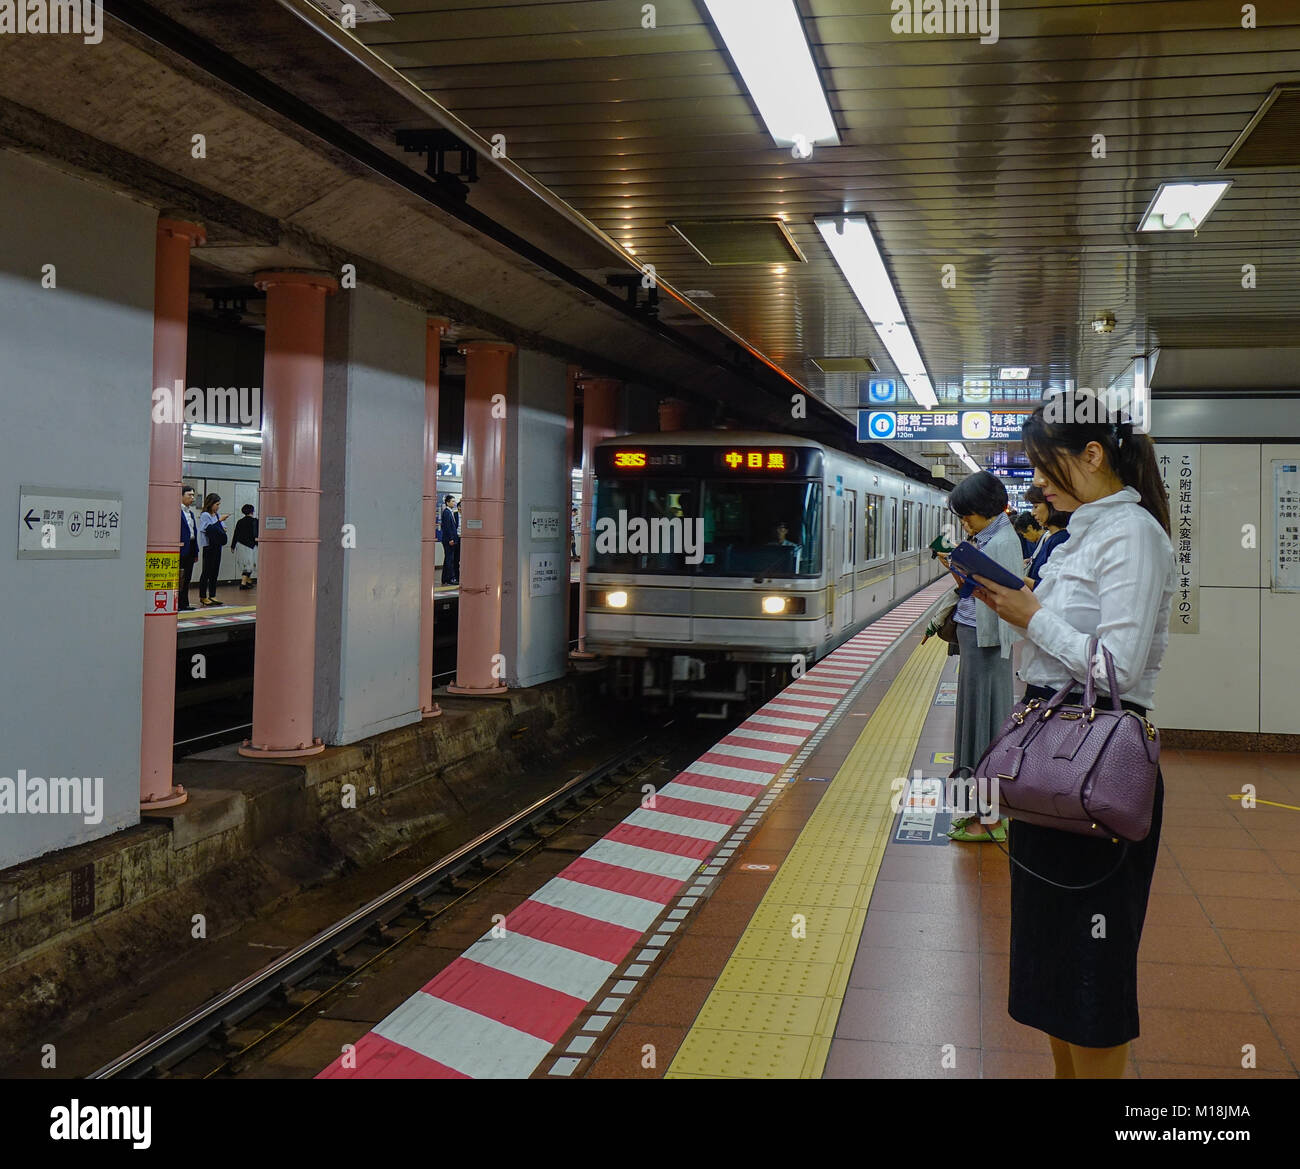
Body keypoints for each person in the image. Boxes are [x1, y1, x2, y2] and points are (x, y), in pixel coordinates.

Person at [967, 389, 1175, 1079]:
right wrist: (1016, 605)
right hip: (1051, 771)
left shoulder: (1134, 536)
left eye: (1048, 466)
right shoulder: (1076, 535)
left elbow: (1117, 667)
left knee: (1092, 975)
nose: (1039, 482)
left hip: (1099, 772)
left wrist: (1032, 616)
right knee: (1051, 970)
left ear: (1093, 454)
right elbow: (1054, 655)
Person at [937, 471, 1022, 842]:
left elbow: (1000, 597)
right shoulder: (991, 536)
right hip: (977, 639)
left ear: (985, 509)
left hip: (986, 643)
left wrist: (965, 573)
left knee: (985, 727)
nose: (963, 521)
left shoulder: (1001, 542)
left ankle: (989, 820)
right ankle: (979, 812)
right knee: (977, 725)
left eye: (967, 514)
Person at [1024, 483, 1071, 588]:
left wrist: (1019, 577)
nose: (1033, 513)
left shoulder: (1062, 540)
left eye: (1036, 506)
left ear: (1051, 505)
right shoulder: (1046, 536)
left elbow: (1052, 587)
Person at [196, 493, 230, 606]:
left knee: (215, 570)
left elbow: (222, 528)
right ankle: (203, 596)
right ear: (211, 504)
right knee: (206, 571)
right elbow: (208, 529)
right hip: (209, 546)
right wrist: (219, 521)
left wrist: (220, 523)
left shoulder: (216, 515)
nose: (218, 506)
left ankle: (212, 594)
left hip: (217, 545)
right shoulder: (205, 515)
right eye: (217, 504)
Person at [179, 485, 199, 611]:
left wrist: (196, 550)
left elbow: (194, 532)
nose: (192, 497)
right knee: (179, 577)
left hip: (191, 547)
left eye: (193, 495)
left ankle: (184, 603)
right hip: (181, 548)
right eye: (189, 495)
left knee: (187, 577)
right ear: (181, 496)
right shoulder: (176, 511)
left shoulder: (190, 513)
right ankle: (178, 603)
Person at [231, 504, 258, 590]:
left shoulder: (240, 521)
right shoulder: (255, 521)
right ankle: (243, 583)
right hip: (251, 545)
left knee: (245, 564)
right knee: (250, 564)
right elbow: (256, 534)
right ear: (252, 511)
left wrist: (233, 545)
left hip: (240, 544)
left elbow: (236, 534)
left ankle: (248, 581)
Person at [439, 494, 460, 585]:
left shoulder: (450, 512)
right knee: (449, 560)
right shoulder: (447, 512)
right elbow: (447, 527)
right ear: (447, 502)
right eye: (452, 501)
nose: (454, 503)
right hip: (449, 540)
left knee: (449, 559)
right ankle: (449, 579)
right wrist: (451, 539)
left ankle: (445, 578)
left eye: (454, 501)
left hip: (451, 539)